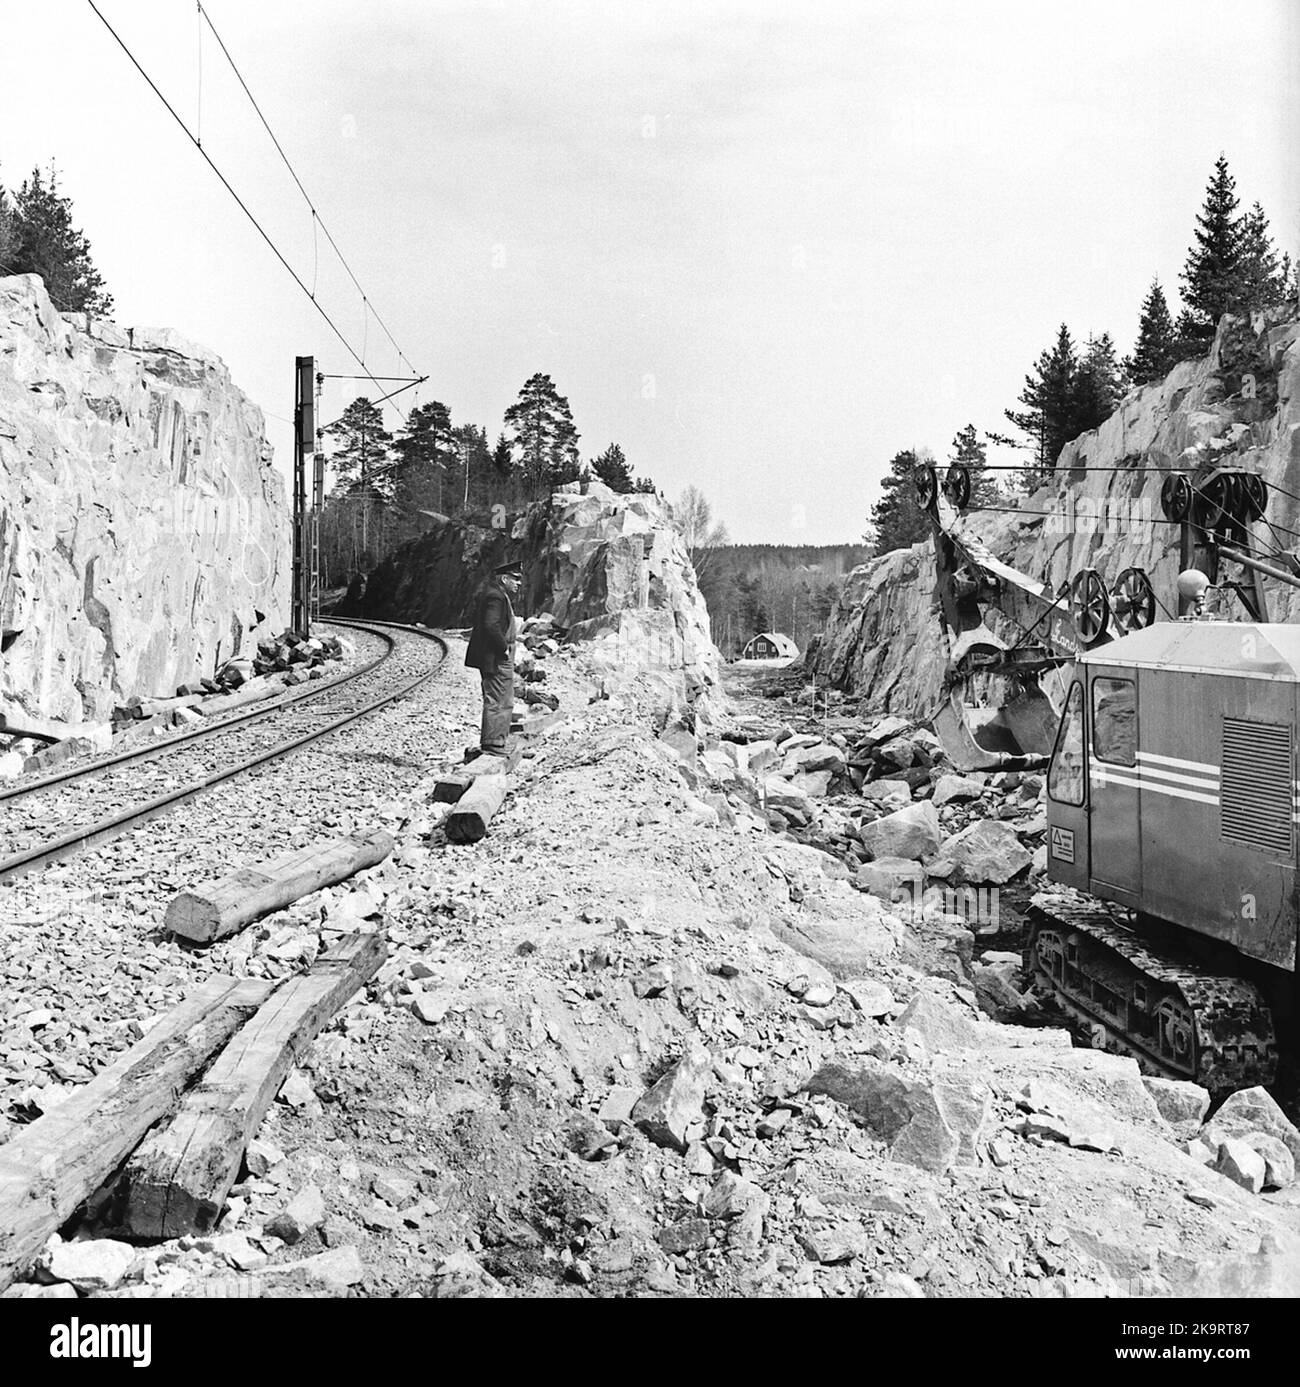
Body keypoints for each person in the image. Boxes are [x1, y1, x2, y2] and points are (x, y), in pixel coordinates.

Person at [464, 559, 523, 758]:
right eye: (515, 579)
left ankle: (497, 740)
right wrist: (503, 649)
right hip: (497, 657)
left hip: (499, 656)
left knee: (502, 697)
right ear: (504, 579)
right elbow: (491, 626)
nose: (519, 583)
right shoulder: (496, 596)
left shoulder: (496, 593)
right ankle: (493, 743)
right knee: (498, 698)